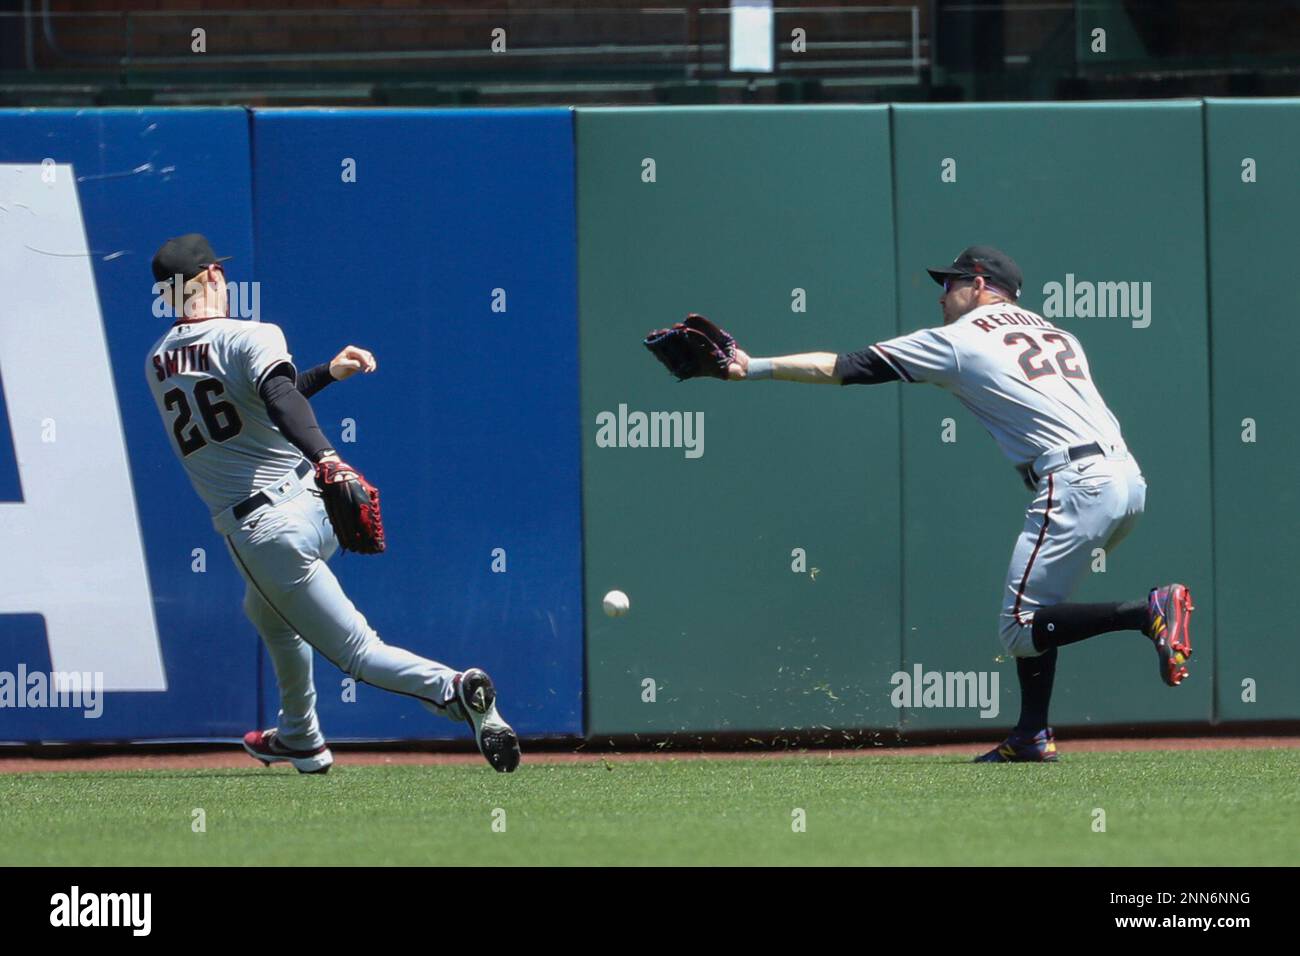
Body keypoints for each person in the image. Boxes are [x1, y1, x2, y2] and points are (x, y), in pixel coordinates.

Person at [724, 245, 1193, 762]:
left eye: (949, 284)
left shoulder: (960, 340)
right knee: (1042, 611)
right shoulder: (1060, 334)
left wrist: (753, 367)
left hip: (1076, 479)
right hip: (1127, 479)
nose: (943, 295)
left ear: (978, 282)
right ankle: (1032, 735)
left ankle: (1147, 611)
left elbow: (845, 366)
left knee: (1018, 628)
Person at [145, 233, 520, 774]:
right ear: (211, 277)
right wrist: (329, 457)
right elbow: (275, 397)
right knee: (267, 612)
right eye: (220, 272)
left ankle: (455, 689)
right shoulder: (253, 334)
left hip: (265, 533)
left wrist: (324, 375)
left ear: (169, 293)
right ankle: (301, 735)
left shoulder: (158, 361)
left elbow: (261, 399)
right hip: (314, 502)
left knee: (359, 653)